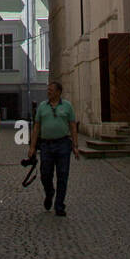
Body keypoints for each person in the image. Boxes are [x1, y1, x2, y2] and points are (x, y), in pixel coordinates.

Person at [28, 79, 79, 217]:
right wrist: (32, 147)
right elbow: (36, 127)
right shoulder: (42, 106)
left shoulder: (67, 106)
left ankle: (59, 205)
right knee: (45, 174)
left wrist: (75, 145)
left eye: (51, 90)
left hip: (63, 144)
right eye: (48, 90)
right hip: (46, 145)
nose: (48, 92)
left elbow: (73, 125)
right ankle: (49, 192)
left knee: (63, 175)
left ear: (58, 92)